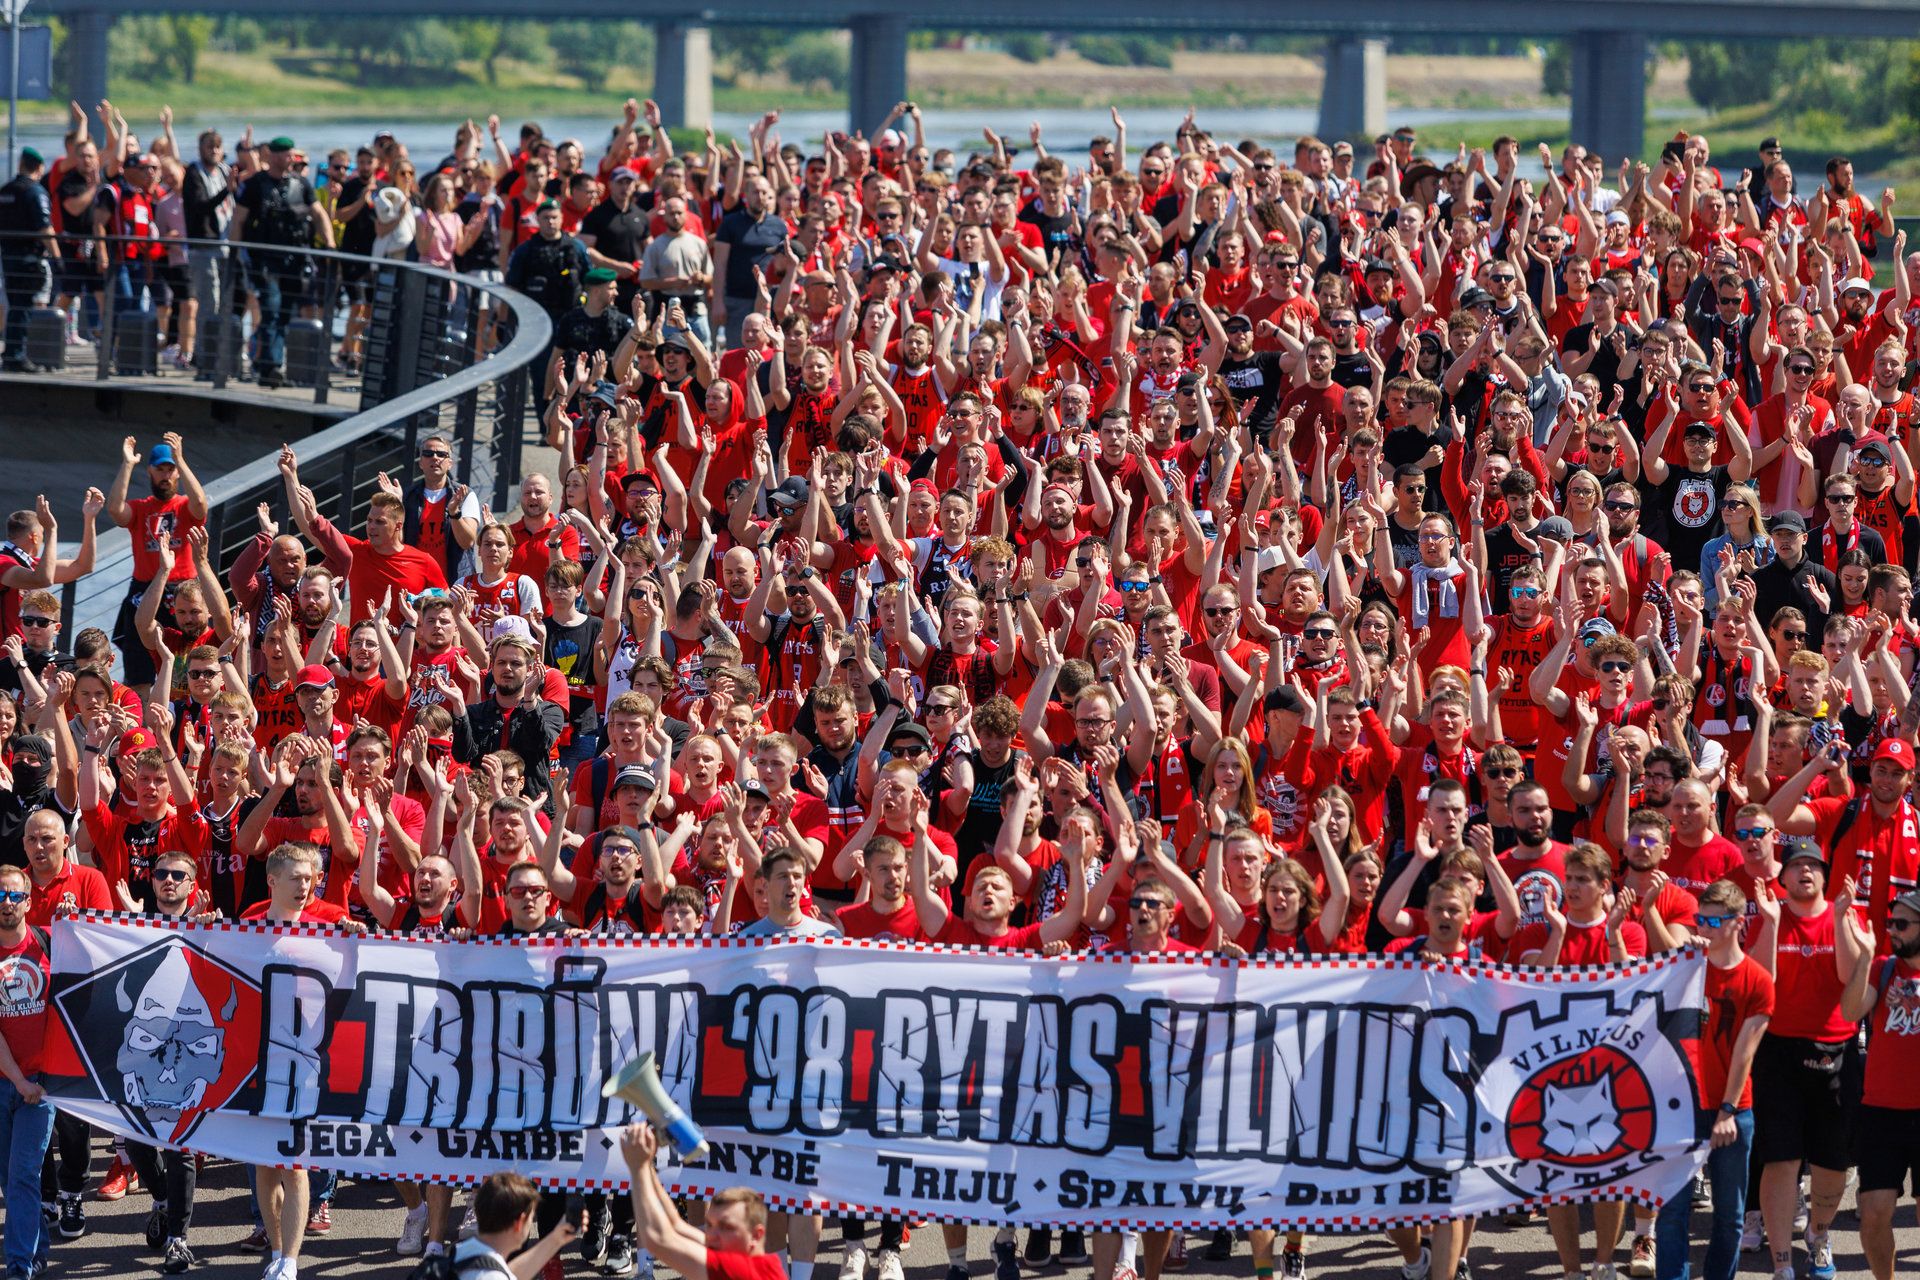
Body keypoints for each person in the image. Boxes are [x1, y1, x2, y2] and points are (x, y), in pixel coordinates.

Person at [1839, 886, 1920, 1280]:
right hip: (1881, 1110)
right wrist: (1867, 955)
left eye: (1902, 924)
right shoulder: (1883, 967)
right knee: (1872, 1213)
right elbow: (1851, 1009)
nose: (1893, 931)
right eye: (1891, 923)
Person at [228, 136, 335, 389]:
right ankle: (273, 365)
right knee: (272, 308)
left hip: (295, 261)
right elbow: (239, 220)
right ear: (274, 156)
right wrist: (234, 254)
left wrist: (329, 243)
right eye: (286, 154)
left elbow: (318, 213)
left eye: (292, 154)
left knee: (285, 313)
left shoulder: (301, 184)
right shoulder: (256, 185)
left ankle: (267, 366)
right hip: (265, 261)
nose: (290, 159)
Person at [0, 864, 52, 1280]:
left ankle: (18, 1266)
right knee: (11, 1180)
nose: (8, 903)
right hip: (8, 1083)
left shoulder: (49, 945)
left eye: (15, 895)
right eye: (1, 896)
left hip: (42, 1087)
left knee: (22, 1176)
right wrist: (17, 1079)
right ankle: (37, 1252)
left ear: (29, 901)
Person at [0, 147, 57, 374]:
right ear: (40, 167)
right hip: (29, 259)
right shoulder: (35, 191)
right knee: (23, 306)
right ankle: (17, 355)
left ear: (21, 164)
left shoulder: (5, 190)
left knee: (15, 305)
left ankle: (12, 350)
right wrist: (58, 257)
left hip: (8, 257)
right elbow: (45, 227)